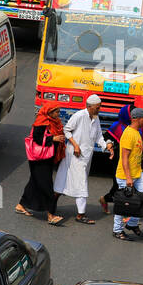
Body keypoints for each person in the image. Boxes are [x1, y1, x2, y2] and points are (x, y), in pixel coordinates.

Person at [55, 95, 112, 224]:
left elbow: (98, 136)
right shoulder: (79, 116)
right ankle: (81, 215)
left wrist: (106, 146)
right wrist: (75, 145)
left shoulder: (96, 118)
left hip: (86, 156)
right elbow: (67, 130)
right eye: (97, 108)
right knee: (81, 183)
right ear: (89, 107)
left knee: (65, 180)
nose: (99, 110)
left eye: (99, 107)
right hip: (75, 155)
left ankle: (51, 204)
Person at [17, 100, 67, 225]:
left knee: (34, 182)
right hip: (39, 159)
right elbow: (37, 138)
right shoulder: (41, 122)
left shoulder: (56, 122)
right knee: (46, 185)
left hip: (48, 158)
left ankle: (21, 205)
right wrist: (53, 138)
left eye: (59, 111)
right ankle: (51, 214)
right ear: (49, 112)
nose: (58, 114)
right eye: (56, 111)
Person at [113, 107, 143, 242]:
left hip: (138, 173)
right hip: (125, 176)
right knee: (124, 204)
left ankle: (132, 224)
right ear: (138, 119)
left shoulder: (137, 132)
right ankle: (117, 230)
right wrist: (128, 177)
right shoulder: (129, 134)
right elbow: (124, 158)